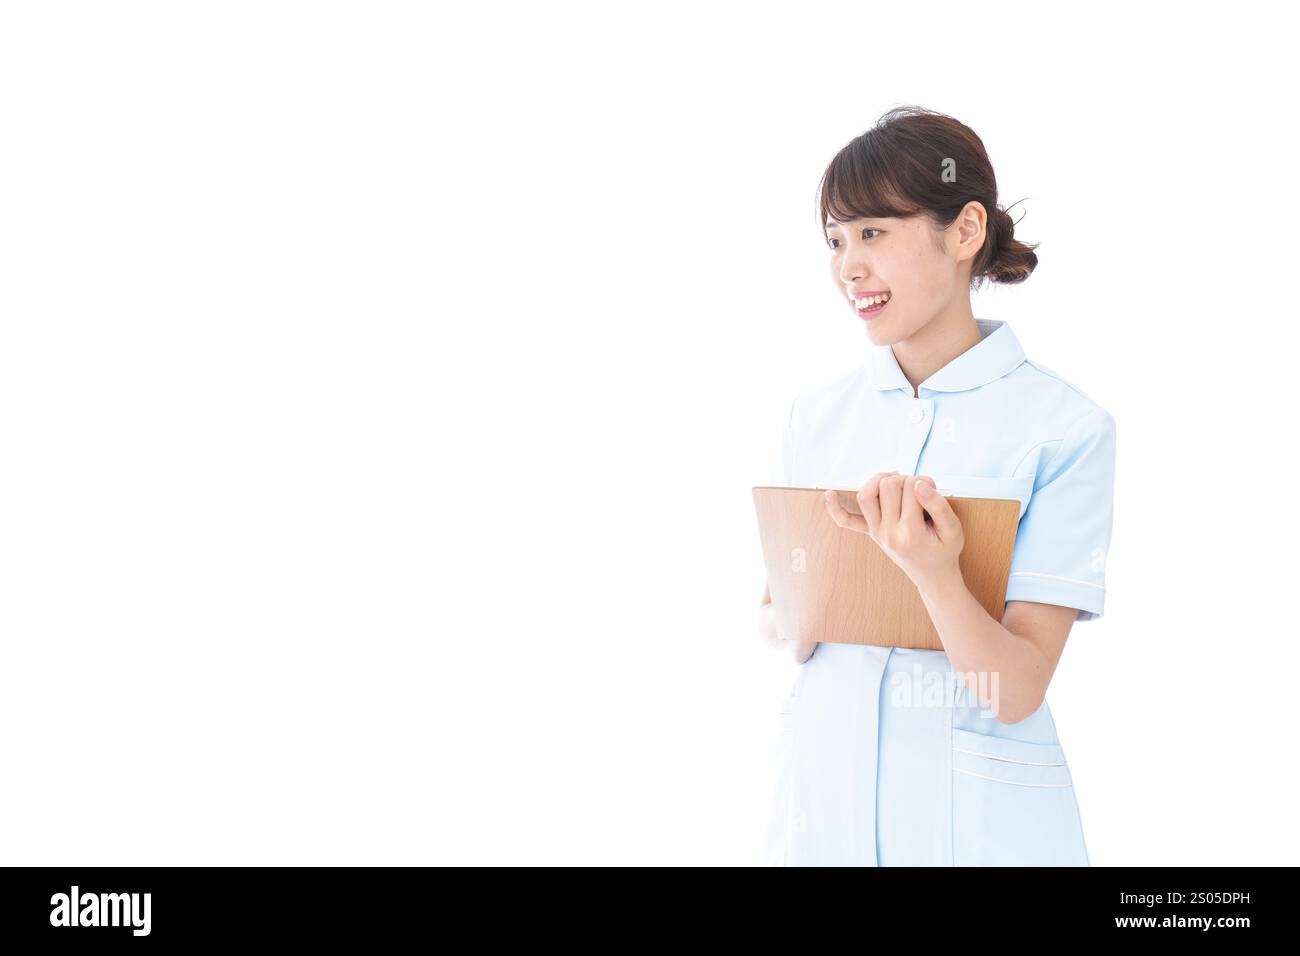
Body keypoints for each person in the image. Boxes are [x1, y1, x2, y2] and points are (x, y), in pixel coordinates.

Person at [759, 106, 1116, 866]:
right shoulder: (815, 417)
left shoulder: (1065, 428)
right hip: (821, 817)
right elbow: (788, 638)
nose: (849, 266)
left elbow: (1015, 687)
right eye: (836, 240)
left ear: (964, 231)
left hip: (981, 831)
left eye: (875, 232)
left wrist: (934, 574)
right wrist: (793, 604)